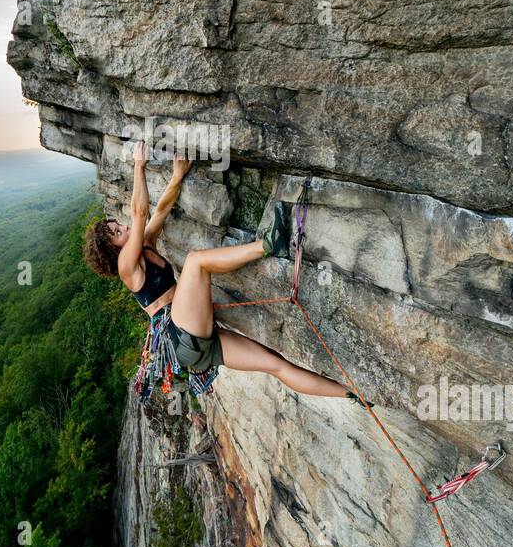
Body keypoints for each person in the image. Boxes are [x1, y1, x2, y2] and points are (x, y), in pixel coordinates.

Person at [82, 140, 363, 407]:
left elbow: (161, 209)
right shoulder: (126, 268)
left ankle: (353, 395)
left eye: (118, 225)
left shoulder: (145, 245)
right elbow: (139, 213)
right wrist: (138, 166)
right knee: (195, 262)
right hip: (180, 337)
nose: (125, 228)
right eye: (118, 233)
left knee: (276, 364)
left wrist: (178, 176)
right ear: (114, 251)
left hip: (194, 344)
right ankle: (268, 245)